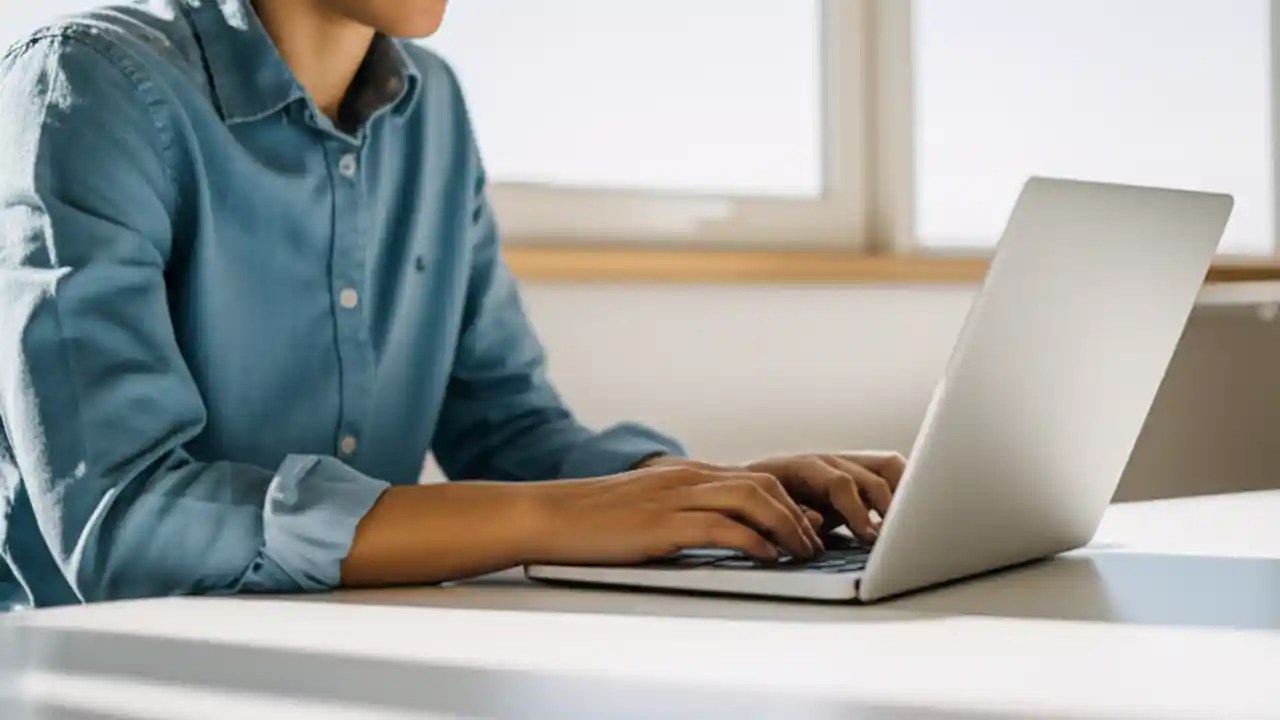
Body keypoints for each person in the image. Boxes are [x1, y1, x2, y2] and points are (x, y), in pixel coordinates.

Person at [0, 0, 904, 610]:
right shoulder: (88, 86)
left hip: (342, 667)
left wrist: (711, 495)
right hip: (88, 675)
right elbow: (122, 520)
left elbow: (508, 431)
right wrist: (551, 520)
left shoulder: (433, 111)